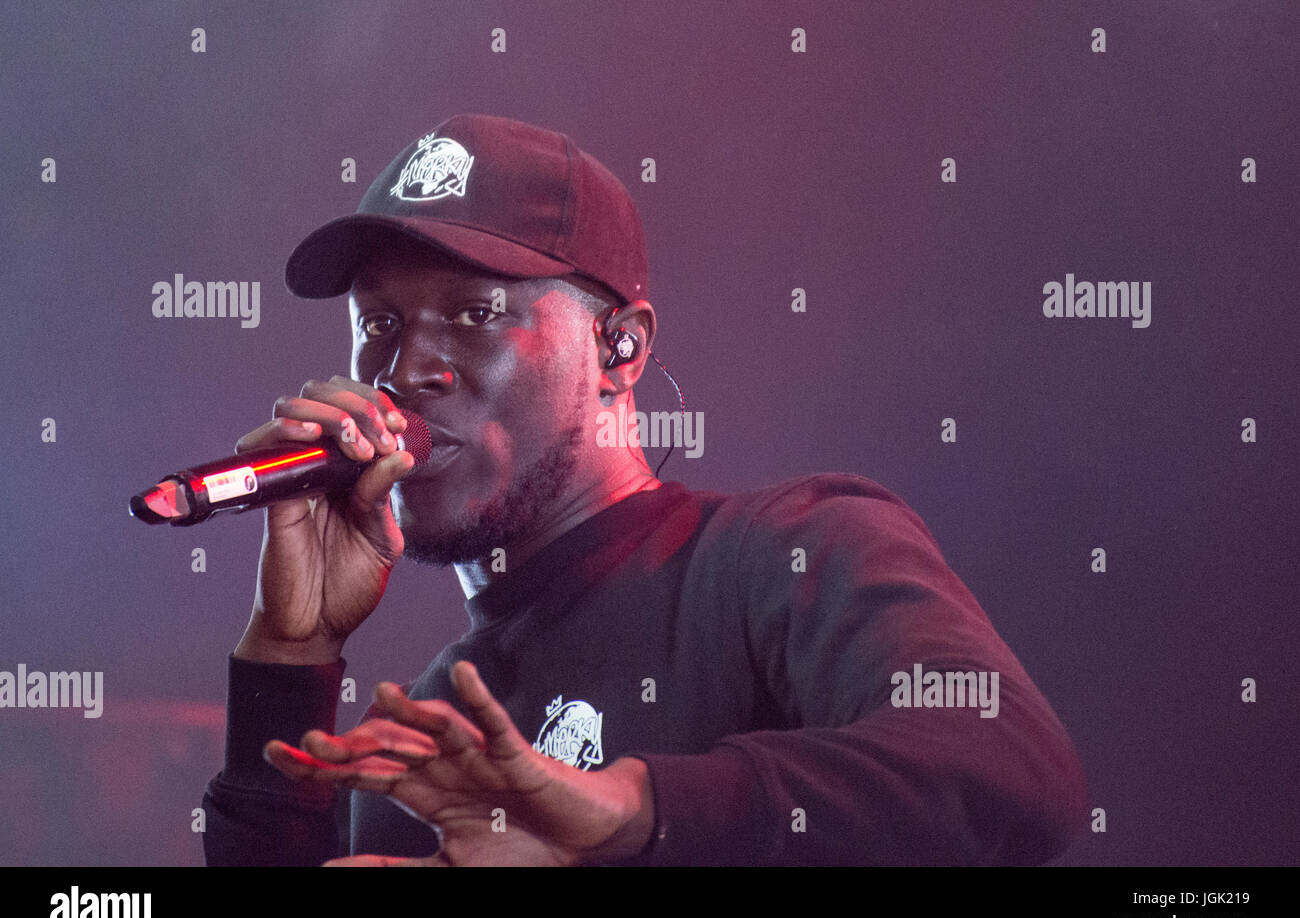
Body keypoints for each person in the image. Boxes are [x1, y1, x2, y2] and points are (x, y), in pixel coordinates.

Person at [201, 113, 1088, 866]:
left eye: (476, 314)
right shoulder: (434, 735)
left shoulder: (781, 551)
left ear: (619, 349)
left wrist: (630, 808)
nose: (407, 369)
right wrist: (292, 652)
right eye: (380, 324)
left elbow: (1013, 769)